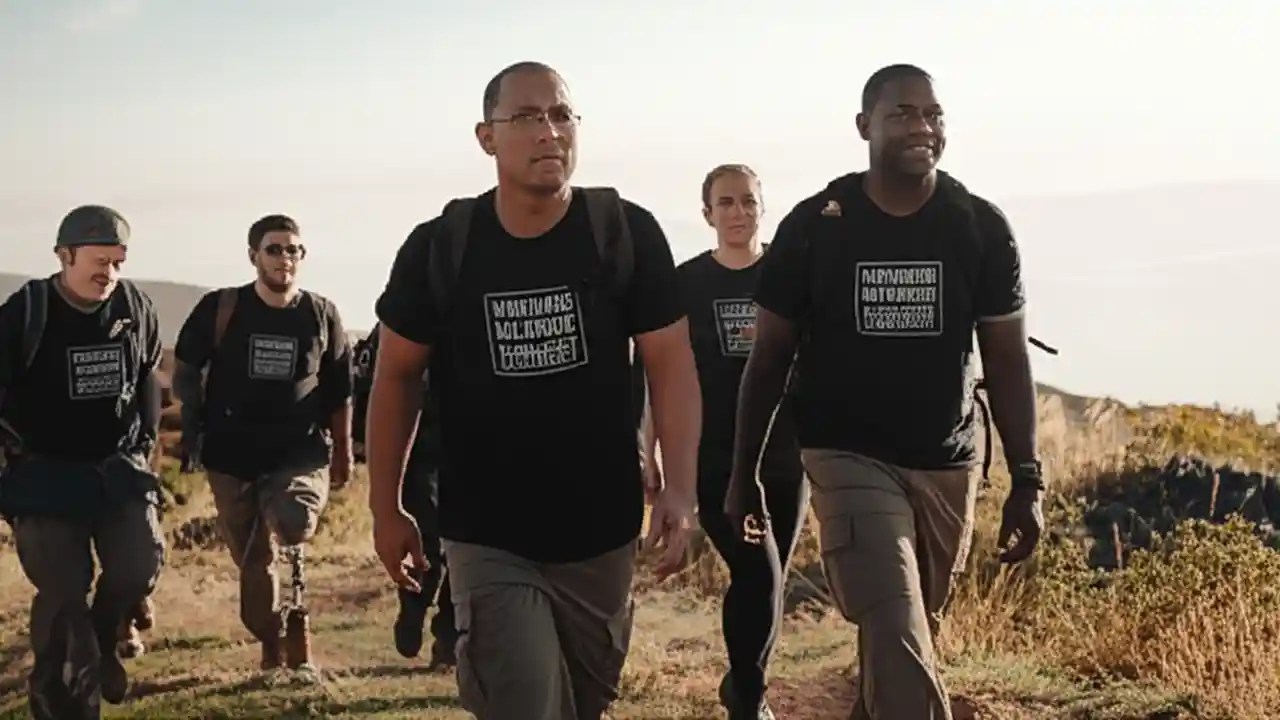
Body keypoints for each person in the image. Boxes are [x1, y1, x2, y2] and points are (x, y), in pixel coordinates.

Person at [367, 60, 701, 720]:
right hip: (487, 531)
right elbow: (396, 376)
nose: (549, 132)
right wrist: (386, 506)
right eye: (526, 117)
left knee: (585, 701)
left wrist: (681, 488)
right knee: (523, 698)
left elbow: (671, 364)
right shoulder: (442, 247)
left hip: (601, 530)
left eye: (561, 115)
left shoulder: (623, 232)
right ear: (486, 137)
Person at [725, 64, 1045, 720]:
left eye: (934, 114)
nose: (922, 127)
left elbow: (1007, 363)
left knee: (903, 633)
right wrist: (742, 473)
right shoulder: (817, 225)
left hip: (947, 461)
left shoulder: (978, 227)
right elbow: (768, 361)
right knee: (897, 622)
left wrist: (1027, 479)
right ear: (864, 125)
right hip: (845, 455)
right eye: (903, 113)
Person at [639, 164, 806, 720]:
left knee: (770, 577)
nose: (738, 213)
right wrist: (651, 449)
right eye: (726, 203)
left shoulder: (789, 275)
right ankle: (750, 702)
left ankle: (743, 684)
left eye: (748, 201)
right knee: (758, 570)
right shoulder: (686, 284)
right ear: (707, 213)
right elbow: (656, 374)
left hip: (785, 456)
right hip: (714, 458)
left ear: (764, 206)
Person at [0, 205, 166, 719]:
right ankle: (60, 693)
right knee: (64, 589)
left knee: (140, 566)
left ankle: (102, 632)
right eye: (99, 261)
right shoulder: (27, 312)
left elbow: (147, 380)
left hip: (118, 470)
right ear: (64, 255)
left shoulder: (135, 306)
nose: (109, 273)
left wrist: (145, 446)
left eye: (117, 262)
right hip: (43, 476)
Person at [171, 213, 354, 671]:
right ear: (253, 255)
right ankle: (271, 640)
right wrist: (192, 430)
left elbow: (341, 390)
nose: (284, 258)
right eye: (274, 249)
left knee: (292, 520)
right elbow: (187, 369)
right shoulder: (222, 308)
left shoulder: (321, 314)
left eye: (293, 249)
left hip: (299, 452)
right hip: (231, 457)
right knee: (252, 560)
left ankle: (296, 601)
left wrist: (346, 451)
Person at [351, 322, 457, 668]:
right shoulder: (400, 318)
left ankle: (450, 641)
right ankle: (413, 609)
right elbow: (370, 381)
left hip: (471, 446)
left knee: (468, 549)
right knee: (426, 543)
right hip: (414, 453)